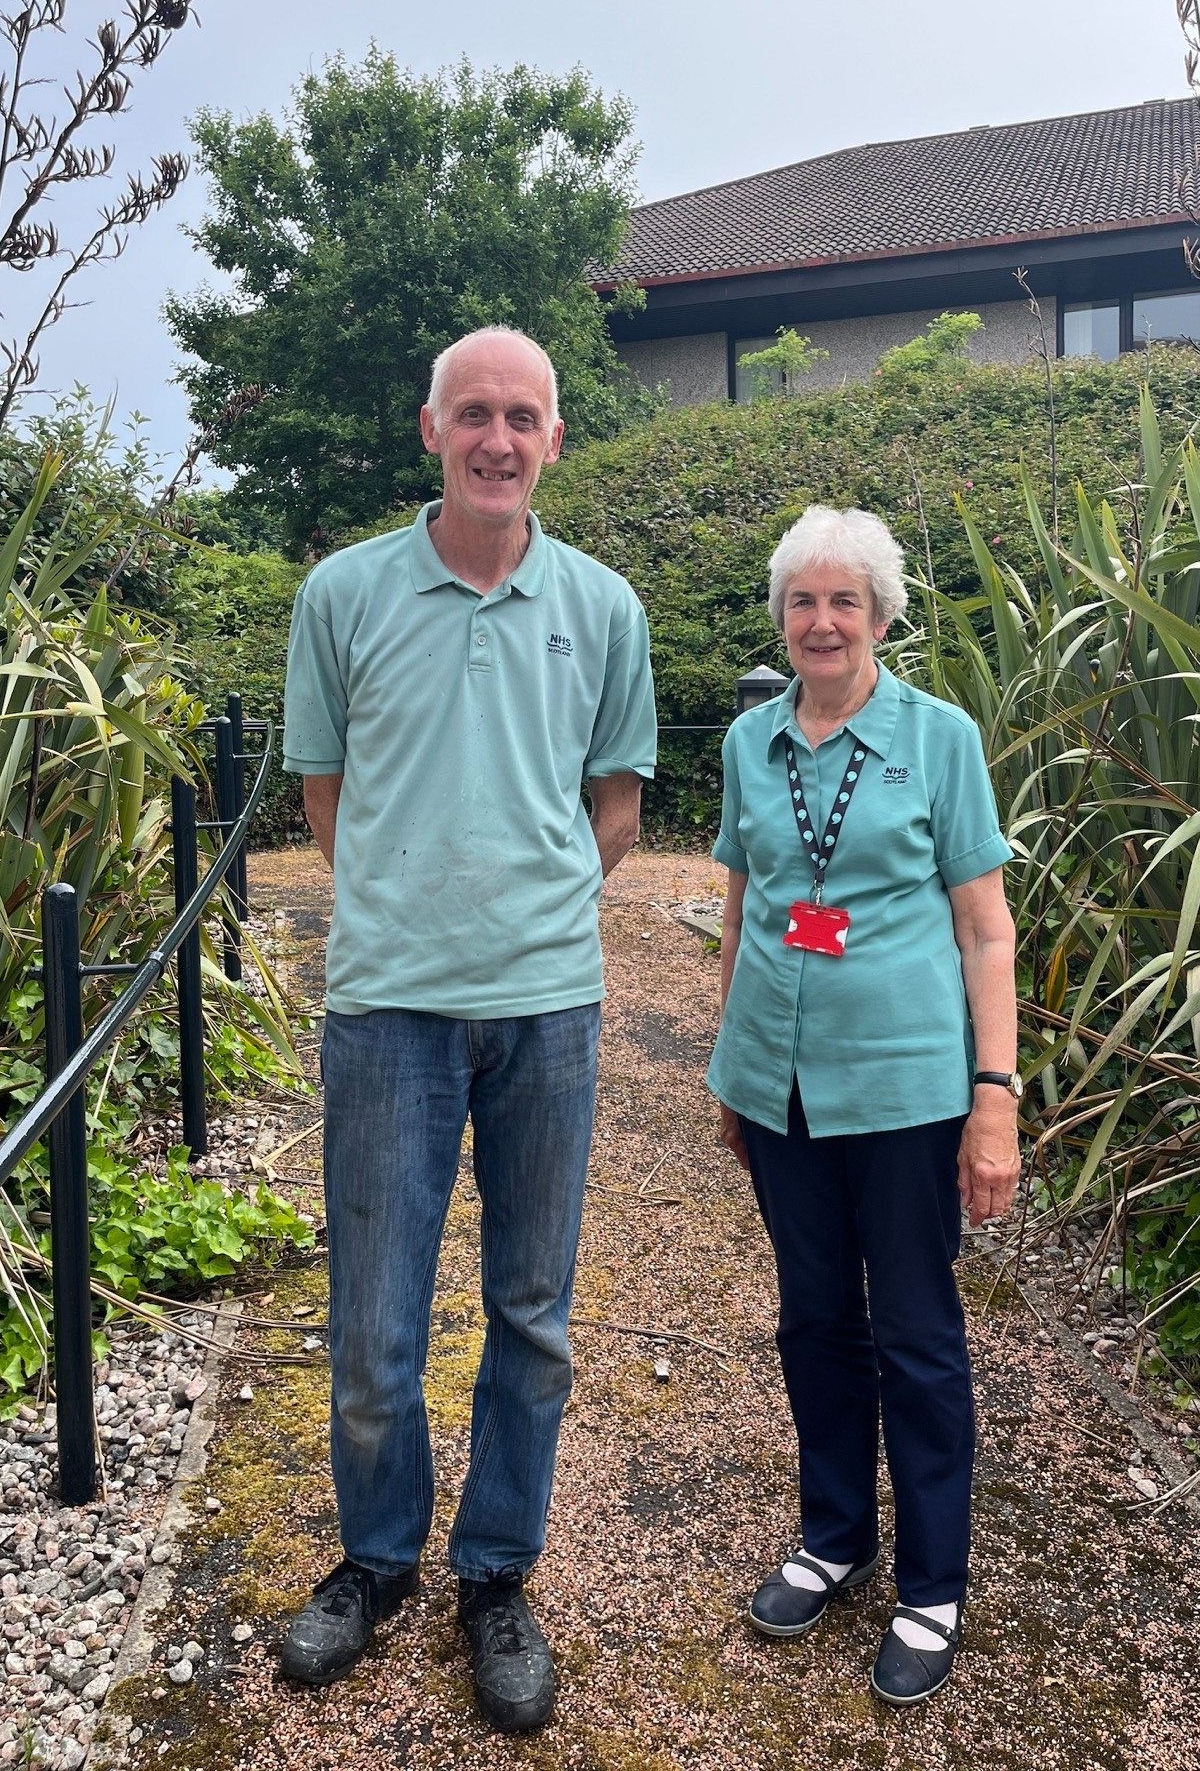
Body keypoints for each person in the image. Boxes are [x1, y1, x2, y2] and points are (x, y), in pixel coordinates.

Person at [277, 326, 657, 1734]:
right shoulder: (343, 593)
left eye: (525, 415)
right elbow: (324, 800)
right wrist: (416, 910)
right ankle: (376, 1557)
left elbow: (616, 807)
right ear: (430, 428)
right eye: (474, 414)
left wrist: (528, 908)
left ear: (555, 437)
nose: (499, 437)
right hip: (387, 1010)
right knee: (376, 1322)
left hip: (549, 1007)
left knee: (532, 1315)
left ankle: (495, 1571)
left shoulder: (605, 607)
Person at [707, 503, 1020, 1706]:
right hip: (777, 1084)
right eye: (802, 600)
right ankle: (834, 1534)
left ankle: (933, 1585)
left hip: (903, 1088)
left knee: (918, 1334)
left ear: (882, 616)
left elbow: (985, 929)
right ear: (781, 617)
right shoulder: (750, 744)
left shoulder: (937, 738)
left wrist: (992, 1097)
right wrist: (728, 1062)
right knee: (812, 1320)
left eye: (845, 600)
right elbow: (744, 907)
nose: (822, 620)